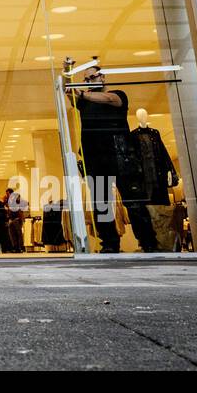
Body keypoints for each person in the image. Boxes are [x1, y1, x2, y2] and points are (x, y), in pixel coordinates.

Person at [74, 61, 129, 253]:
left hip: (119, 155)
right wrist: (66, 72)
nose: (90, 81)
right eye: (87, 79)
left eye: (93, 77)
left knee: (131, 200)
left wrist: (85, 93)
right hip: (94, 157)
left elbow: (108, 98)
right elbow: (70, 94)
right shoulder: (84, 103)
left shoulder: (117, 95)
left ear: (102, 77)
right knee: (101, 202)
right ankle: (110, 243)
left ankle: (148, 242)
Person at [6, 187, 29, 253]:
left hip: (17, 219)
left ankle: (20, 247)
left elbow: (25, 204)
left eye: (8, 193)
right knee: (12, 234)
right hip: (11, 219)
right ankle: (15, 247)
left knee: (18, 234)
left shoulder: (16, 199)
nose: (7, 195)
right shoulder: (9, 200)